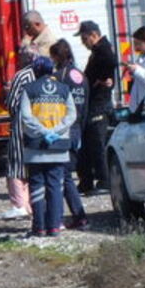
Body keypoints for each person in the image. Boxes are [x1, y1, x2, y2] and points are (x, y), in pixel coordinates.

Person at [18, 57, 77, 237]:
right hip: (58, 145)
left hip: (35, 146)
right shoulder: (64, 89)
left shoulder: (28, 89)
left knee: (36, 186)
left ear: (35, 71)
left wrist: (43, 132)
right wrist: (56, 131)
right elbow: (71, 115)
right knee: (55, 187)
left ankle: (39, 227)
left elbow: (26, 117)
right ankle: (54, 226)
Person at [51, 40, 89, 229]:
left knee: (61, 175)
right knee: (65, 174)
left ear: (57, 57)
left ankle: (69, 218)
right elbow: (86, 104)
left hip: (64, 130)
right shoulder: (81, 75)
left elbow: (55, 106)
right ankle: (76, 216)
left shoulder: (59, 77)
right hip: (78, 129)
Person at [76, 20, 117, 195]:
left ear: (93, 35)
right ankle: (87, 181)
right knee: (88, 143)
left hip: (99, 103)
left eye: (85, 39)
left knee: (97, 142)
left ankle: (104, 180)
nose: (83, 43)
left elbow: (110, 62)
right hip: (92, 102)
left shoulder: (103, 50)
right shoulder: (97, 51)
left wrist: (103, 79)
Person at [0, 57, 36, 220]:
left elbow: (12, 103)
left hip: (21, 125)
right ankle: (31, 205)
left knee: (16, 165)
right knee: (33, 166)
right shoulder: (49, 76)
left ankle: (19, 204)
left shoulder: (22, 75)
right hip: (41, 125)